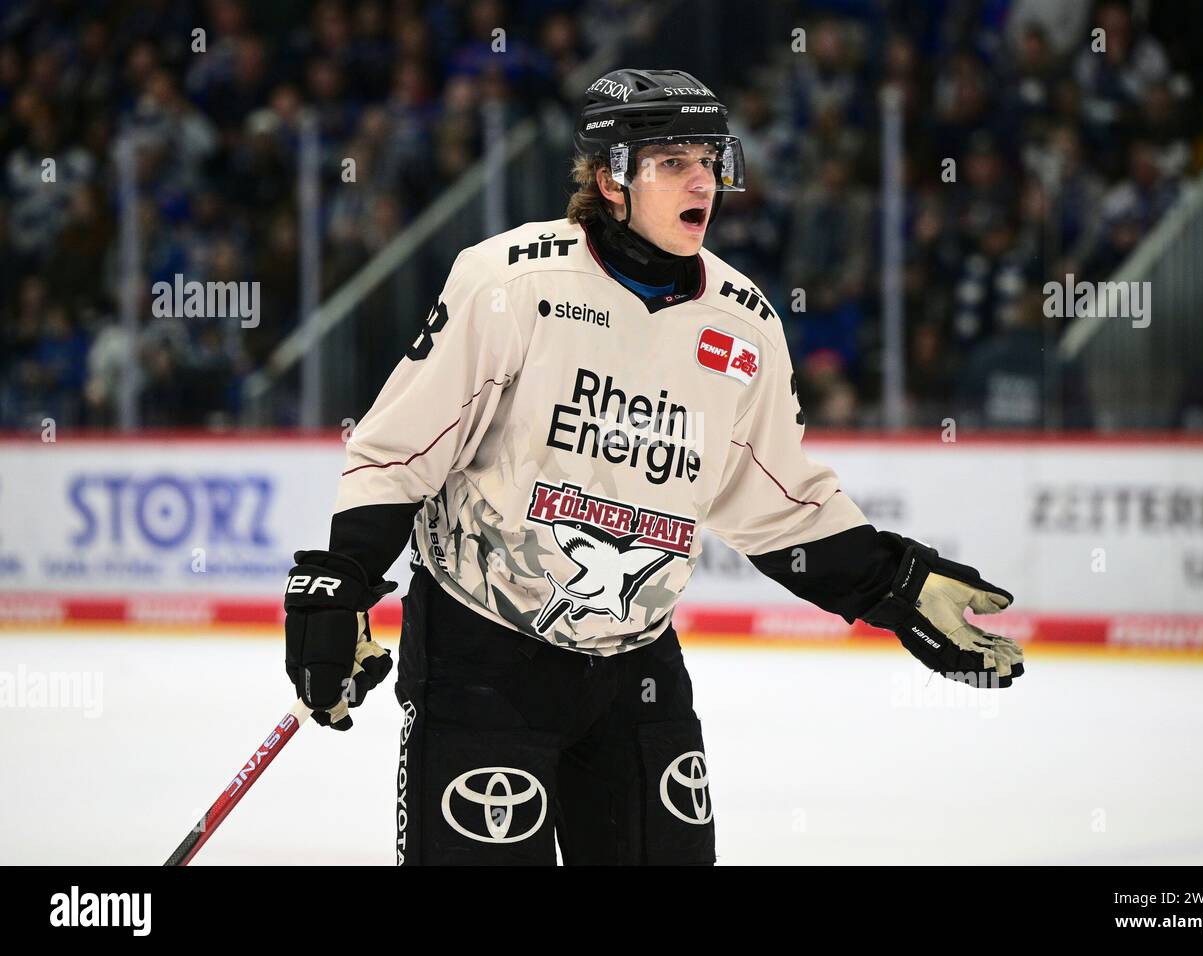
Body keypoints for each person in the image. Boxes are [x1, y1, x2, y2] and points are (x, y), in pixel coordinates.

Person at [281, 69, 1025, 866]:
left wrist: (893, 584)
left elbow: (772, 499)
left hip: (636, 662)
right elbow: (404, 447)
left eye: (710, 158)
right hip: (484, 653)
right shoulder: (512, 283)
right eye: (673, 161)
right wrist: (341, 579)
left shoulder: (743, 324)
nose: (704, 178)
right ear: (611, 178)